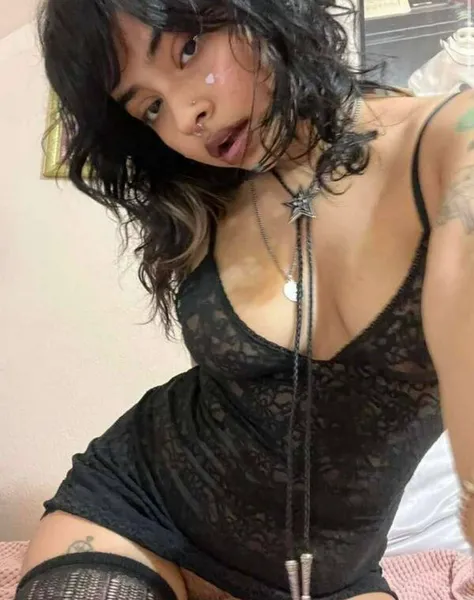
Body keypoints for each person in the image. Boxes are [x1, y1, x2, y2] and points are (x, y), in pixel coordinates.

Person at [15, 0, 474, 598]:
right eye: (150, 106)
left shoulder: (449, 143)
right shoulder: (208, 200)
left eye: (187, 49)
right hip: (140, 515)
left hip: (330, 579)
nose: (186, 116)